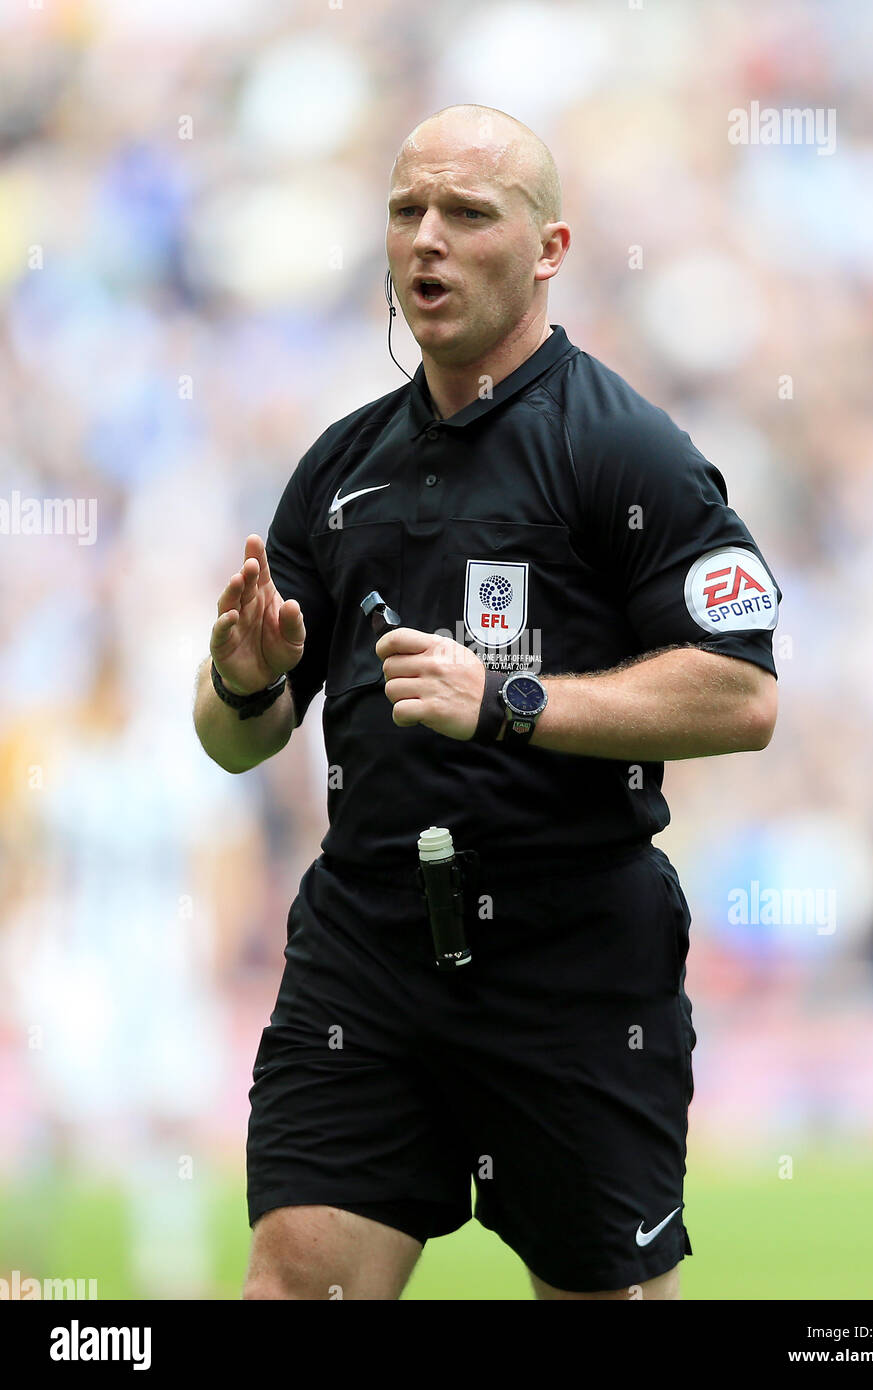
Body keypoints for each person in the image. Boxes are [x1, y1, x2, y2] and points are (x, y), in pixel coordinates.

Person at [192, 104, 781, 1301]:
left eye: (466, 214)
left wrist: (506, 699)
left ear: (550, 246)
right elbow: (233, 745)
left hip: (569, 965)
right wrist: (241, 680)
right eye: (406, 212)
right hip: (366, 947)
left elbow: (742, 692)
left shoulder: (626, 451)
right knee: (292, 1280)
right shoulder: (338, 467)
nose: (426, 243)